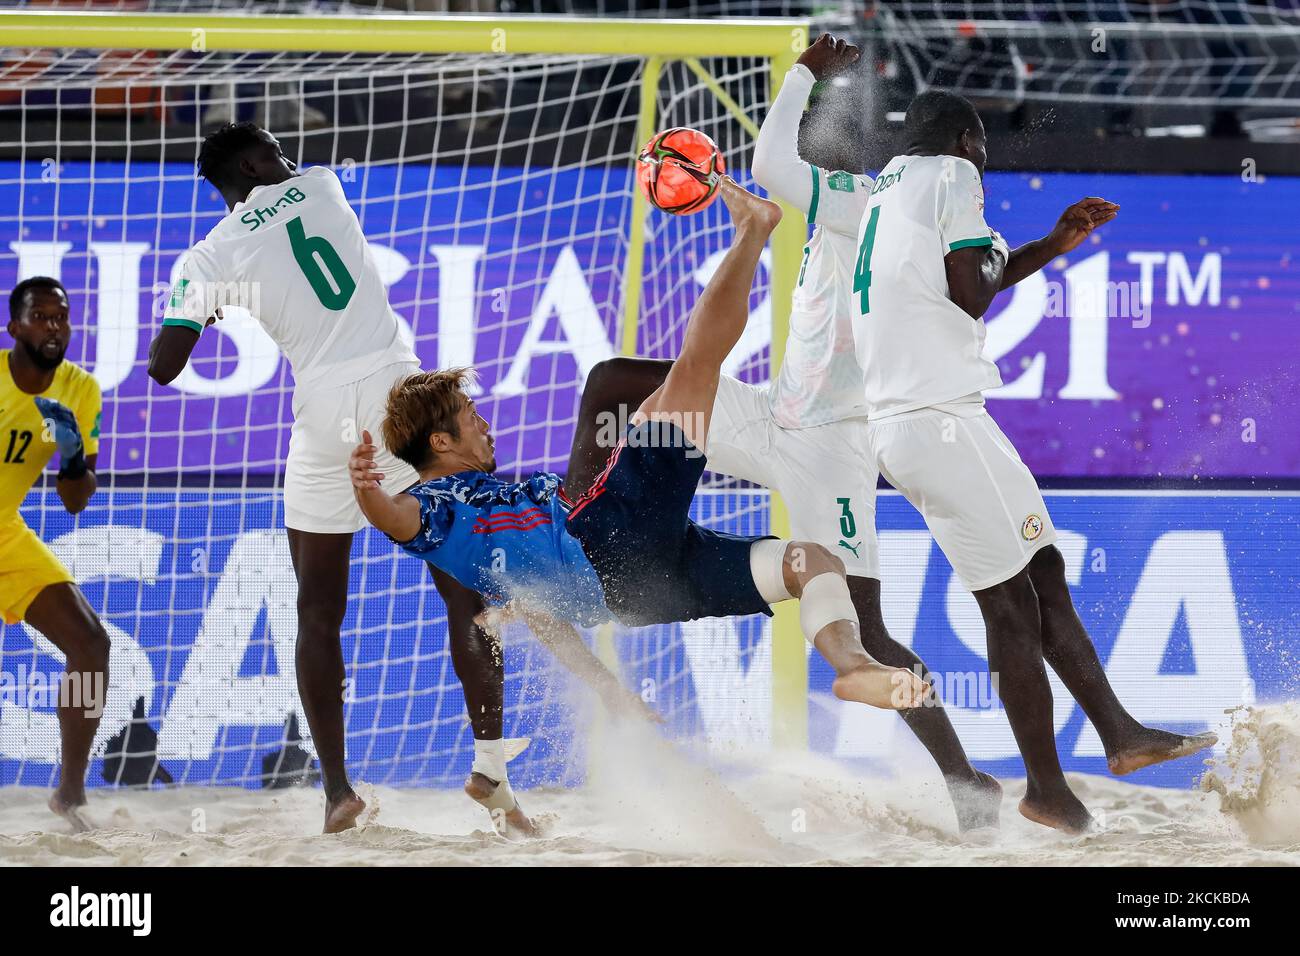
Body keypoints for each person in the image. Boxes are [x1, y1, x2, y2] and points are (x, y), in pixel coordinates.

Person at [561, 34, 1004, 832]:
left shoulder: (873, 203)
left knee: (867, 629)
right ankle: (574, 530)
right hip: (771, 413)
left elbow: (770, 164)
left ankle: (968, 780)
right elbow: (775, 174)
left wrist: (803, 73)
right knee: (616, 384)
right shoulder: (891, 203)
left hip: (833, 445)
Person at [349, 181, 931, 788]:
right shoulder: (433, 507)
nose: (486, 426)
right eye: (473, 420)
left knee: (813, 561)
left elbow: (551, 622)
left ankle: (853, 664)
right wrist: (367, 490)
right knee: (655, 374)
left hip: (646, 588)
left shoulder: (499, 556)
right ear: (440, 444)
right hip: (608, 535)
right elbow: (393, 518)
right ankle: (756, 229)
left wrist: (609, 690)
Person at [852, 88, 1216, 833]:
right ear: (962, 139)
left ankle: (1117, 735)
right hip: (942, 418)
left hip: (913, 426)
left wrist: (1051, 246)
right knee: (1011, 602)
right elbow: (972, 291)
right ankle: (1049, 785)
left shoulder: (883, 193)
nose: (983, 158)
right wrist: (993, 245)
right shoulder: (952, 176)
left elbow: (948, 289)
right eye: (981, 144)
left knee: (1040, 572)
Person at [147, 123, 521, 834]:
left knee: (318, 611)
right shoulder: (321, 185)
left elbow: (165, 365)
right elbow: (288, 238)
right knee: (462, 585)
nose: (290, 159)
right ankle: (491, 764)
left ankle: (338, 794)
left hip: (322, 413)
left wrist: (211, 298)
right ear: (259, 163)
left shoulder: (207, 256)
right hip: (398, 393)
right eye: (276, 152)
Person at [1, 276, 110, 832]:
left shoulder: (80, 389)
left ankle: (70, 792)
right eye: (40, 317)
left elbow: (74, 502)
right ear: (14, 327)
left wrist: (70, 456)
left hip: (4, 535)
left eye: (61, 317)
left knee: (90, 643)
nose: (53, 327)